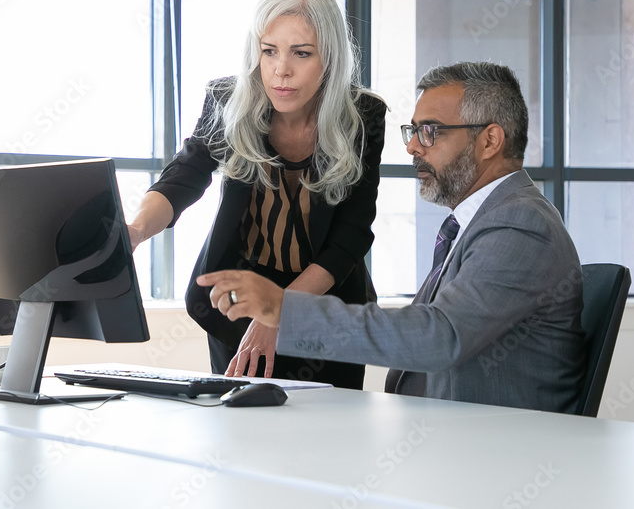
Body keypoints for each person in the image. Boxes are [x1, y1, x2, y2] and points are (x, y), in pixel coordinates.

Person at [199, 61, 587, 413]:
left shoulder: (520, 225)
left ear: (489, 141)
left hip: (491, 459)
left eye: (430, 131)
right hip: (449, 443)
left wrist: (284, 310)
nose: (412, 146)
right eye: (413, 131)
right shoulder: (482, 221)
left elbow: (438, 336)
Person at [128, 0, 387, 389]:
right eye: (269, 51)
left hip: (324, 301)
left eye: (301, 53)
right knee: (241, 431)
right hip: (239, 298)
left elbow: (352, 235)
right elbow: (185, 175)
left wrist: (281, 311)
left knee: (329, 437)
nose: (281, 70)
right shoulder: (228, 99)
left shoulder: (363, 115)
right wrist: (137, 230)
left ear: (330, 58)